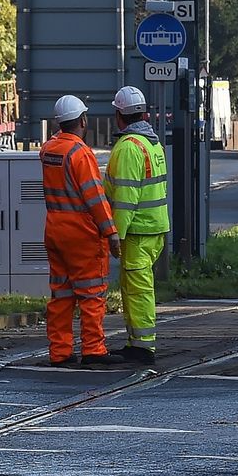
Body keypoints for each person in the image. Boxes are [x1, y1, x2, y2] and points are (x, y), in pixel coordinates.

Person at [40, 95, 120, 368]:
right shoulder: (80, 153)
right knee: (91, 293)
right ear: (83, 120)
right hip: (81, 232)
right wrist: (110, 233)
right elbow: (95, 197)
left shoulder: (49, 150)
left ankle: (60, 352)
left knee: (61, 294)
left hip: (54, 229)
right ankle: (93, 349)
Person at [104, 86, 168, 366]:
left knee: (138, 288)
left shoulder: (130, 147)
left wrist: (115, 234)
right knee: (134, 286)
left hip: (138, 232)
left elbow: (126, 199)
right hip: (153, 228)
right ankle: (136, 342)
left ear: (119, 115)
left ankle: (143, 347)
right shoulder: (152, 143)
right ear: (144, 114)